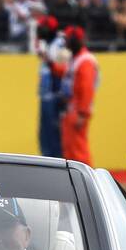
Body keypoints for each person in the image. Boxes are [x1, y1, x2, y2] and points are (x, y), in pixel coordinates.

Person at [60, 25, 98, 164]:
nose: (66, 42)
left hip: (78, 111)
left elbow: (87, 88)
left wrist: (82, 113)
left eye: (68, 39)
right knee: (70, 149)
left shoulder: (85, 60)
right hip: (72, 109)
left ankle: (85, 182)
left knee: (78, 151)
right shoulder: (76, 59)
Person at [35, 16, 67, 158]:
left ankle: (57, 161)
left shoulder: (60, 44)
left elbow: (62, 69)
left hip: (55, 95)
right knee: (44, 134)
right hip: (46, 93)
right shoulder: (47, 44)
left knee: (54, 133)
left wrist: (47, 59)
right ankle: (47, 159)